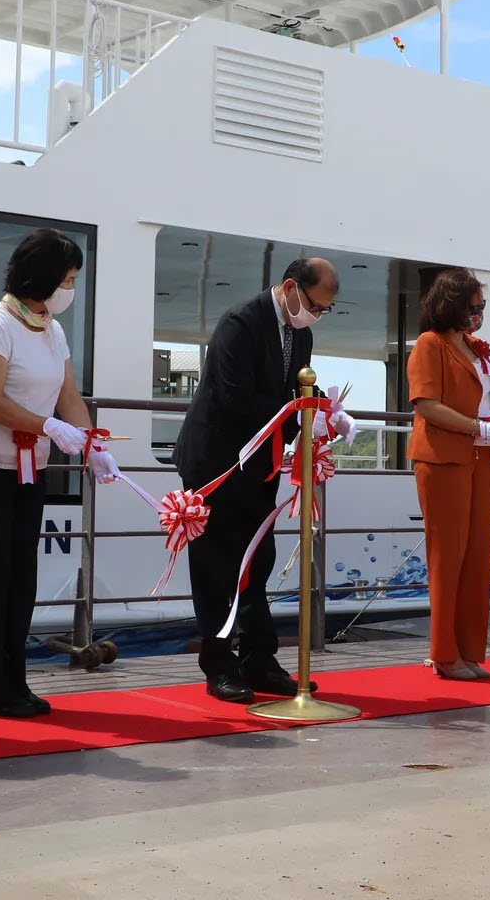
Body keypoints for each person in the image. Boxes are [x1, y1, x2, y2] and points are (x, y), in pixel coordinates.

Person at [0, 229, 118, 718]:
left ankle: (15, 679)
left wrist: (89, 441)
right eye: (66, 280)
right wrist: (49, 426)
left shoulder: (50, 326)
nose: (70, 290)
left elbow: (68, 394)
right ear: (41, 277)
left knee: (23, 577)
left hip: (31, 465)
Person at [172, 258, 356, 703]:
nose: (317, 315)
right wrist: (296, 418)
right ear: (291, 287)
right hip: (217, 459)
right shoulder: (241, 321)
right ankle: (219, 664)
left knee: (259, 560)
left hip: (260, 462)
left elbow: (296, 390)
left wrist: (322, 414)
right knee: (217, 565)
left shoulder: (301, 333)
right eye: (315, 304)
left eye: (325, 309)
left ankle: (259, 658)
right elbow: (235, 395)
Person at [407, 269, 490, 679]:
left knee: (478, 557)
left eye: (481, 307)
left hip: (481, 461)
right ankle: (444, 654)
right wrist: (478, 428)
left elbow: (489, 407)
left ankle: (468, 650)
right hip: (444, 460)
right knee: (447, 558)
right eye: (473, 307)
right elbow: (426, 404)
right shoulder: (429, 346)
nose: (478, 314)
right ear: (453, 305)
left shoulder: (474, 348)